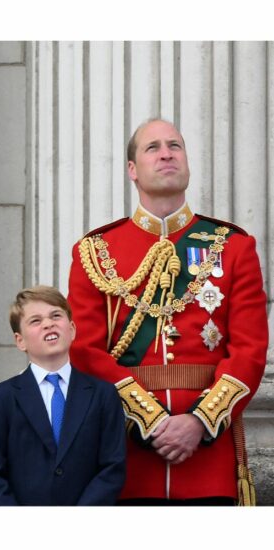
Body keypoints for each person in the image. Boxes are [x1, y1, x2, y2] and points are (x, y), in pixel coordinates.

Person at [67, 118, 268, 505]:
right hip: (126, 459)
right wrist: (151, 420)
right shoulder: (96, 251)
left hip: (208, 458)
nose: (166, 154)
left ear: (187, 162)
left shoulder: (233, 247)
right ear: (132, 170)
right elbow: (85, 352)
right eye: (153, 147)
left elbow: (249, 350)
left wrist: (199, 421)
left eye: (175, 146)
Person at [0, 286, 126, 505]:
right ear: (20, 341)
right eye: (35, 321)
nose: (48, 323)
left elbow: (112, 466)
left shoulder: (103, 394)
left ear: (72, 329)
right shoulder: (2, 397)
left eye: (56, 315)